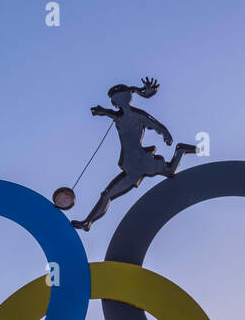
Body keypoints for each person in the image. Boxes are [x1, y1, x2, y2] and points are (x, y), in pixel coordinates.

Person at [71, 77, 198, 231]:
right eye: (114, 102)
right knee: (107, 195)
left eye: (115, 101)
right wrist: (101, 111)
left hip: (141, 161)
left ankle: (181, 150)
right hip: (132, 165)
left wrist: (165, 134)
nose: (115, 105)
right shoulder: (118, 116)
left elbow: (158, 126)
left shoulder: (138, 116)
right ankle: (88, 222)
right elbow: (108, 113)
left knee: (170, 172)